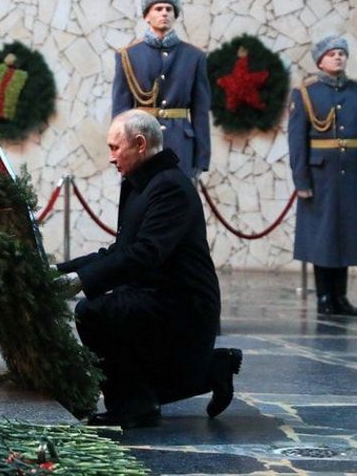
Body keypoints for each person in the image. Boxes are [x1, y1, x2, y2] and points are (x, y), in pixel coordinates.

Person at [55, 110, 242, 428]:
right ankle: (211, 369)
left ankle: (134, 405)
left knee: (94, 312)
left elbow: (146, 254)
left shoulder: (169, 187)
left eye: (115, 147)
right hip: (155, 295)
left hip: (184, 304)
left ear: (140, 143)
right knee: (115, 316)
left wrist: (81, 282)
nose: (111, 158)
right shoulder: (143, 182)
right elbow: (119, 251)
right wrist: (60, 270)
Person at [287, 36, 357, 317]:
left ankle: (341, 296)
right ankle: (324, 297)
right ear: (320, 61)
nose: (338, 58)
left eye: (341, 53)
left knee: (347, 236)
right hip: (320, 176)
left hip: (352, 173)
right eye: (332, 54)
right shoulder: (305, 93)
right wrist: (301, 180)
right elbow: (297, 141)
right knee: (323, 237)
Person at [111, 0, 211, 179]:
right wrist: (119, 152)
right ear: (146, 16)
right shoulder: (128, 56)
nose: (164, 13)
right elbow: (120, 112)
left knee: (178, 205)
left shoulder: (193, 57)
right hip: (140, 145)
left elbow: (200, 112)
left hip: (180, 145)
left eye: (169, 9)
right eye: (158, 9)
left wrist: (201, 158)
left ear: (175, 15)